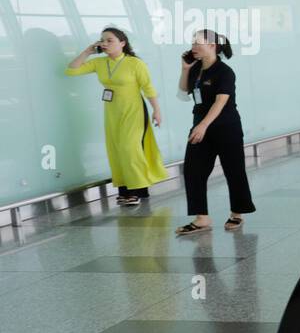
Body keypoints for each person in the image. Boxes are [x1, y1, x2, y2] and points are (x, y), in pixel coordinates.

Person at [65, 27, 167, 207]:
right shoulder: (100, 63)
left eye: (109, 40)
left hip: (133, 111)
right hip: (112, 112)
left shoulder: (135, 63)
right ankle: (125, 191)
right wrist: (88, 52)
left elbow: (148, 88)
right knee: (117, 150)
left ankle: (137, 189)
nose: (104, 43)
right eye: (102, 40)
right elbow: (72, 70)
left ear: (122, 43)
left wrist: (156, 111)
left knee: (130, 148)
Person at [174, 29, 256, 235]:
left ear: (212, 46)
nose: (193, 47)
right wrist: (185, 69)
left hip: (225, 126)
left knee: (233, 170)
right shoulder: (195, 68)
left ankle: (237, 212)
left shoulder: (225, 71)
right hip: (200, 124)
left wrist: (203, 126)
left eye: (197, 43)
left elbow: (221, 102)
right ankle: (201, 218)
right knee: (193, 170)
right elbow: (184, 90)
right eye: (192, 43)